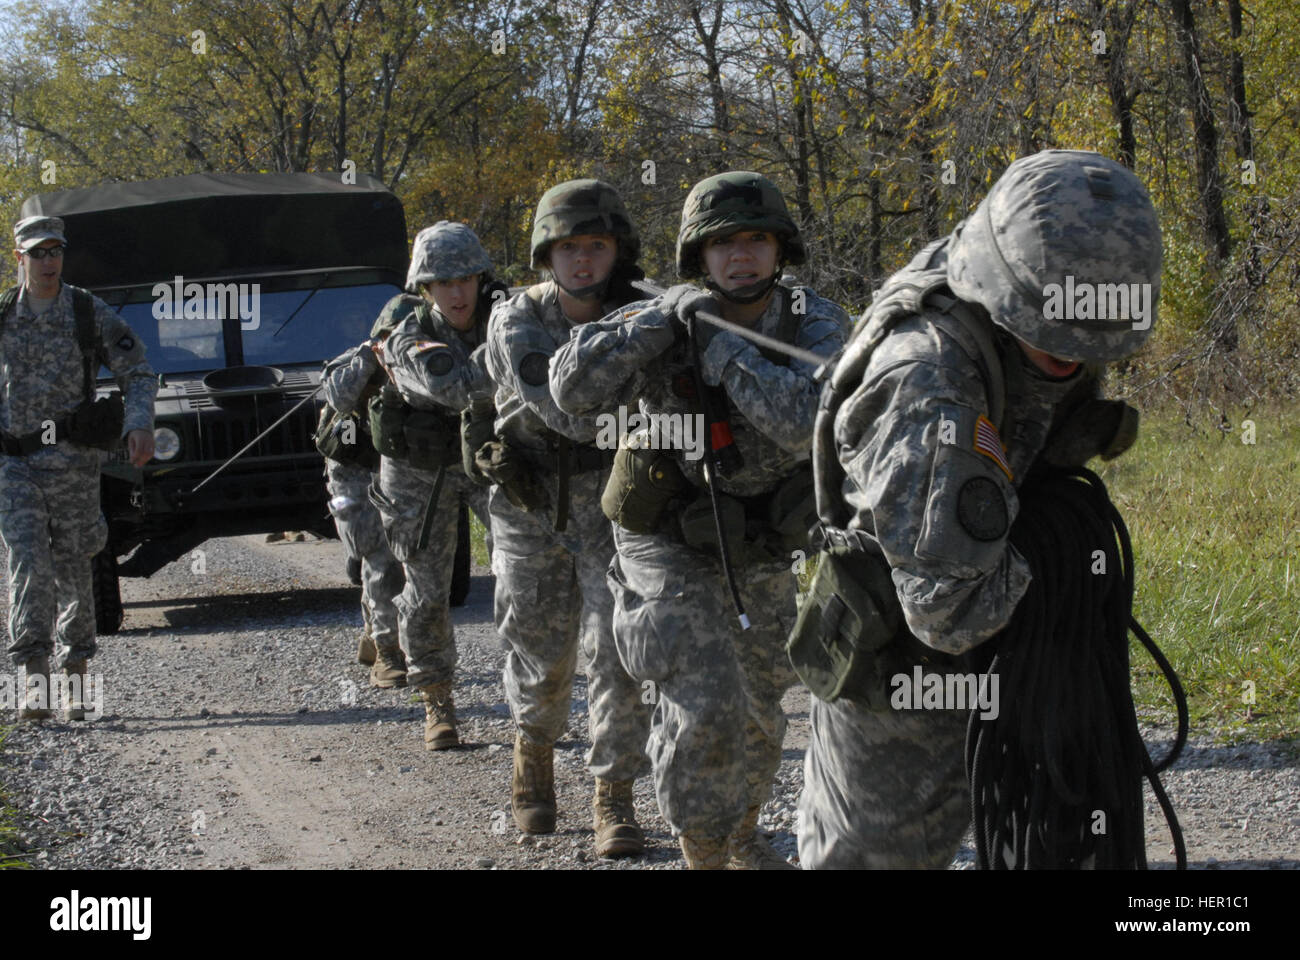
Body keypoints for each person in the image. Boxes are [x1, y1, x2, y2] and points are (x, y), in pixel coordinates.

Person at [793, 149, 1162, 868]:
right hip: (900, 675)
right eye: (1057, 336)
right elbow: (946, 610)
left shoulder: (1038, 277)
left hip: (1011, 651)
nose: (1075, 357)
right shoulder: (925, 384)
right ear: (1003, 286)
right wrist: (1052, 554)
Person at [550, 171, 849, 868]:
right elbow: (568, 391)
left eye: (755, 241)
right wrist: (654, 323)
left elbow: (806, 424)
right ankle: (703, 850)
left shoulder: (815, 320)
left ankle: (743, 831)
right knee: (704, 701)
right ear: (698, 256)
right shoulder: (662, 314)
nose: (739, 256)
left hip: (765, 539)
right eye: (721, 245)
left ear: (780, 250)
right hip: (666, 535)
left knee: (762, 706)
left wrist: (725, 351)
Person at [483, 179, 651, 857]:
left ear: (617, 250)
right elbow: (561, 410)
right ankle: (534, 765)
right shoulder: (515, 320)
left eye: (597, 246)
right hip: (530, 506)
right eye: (568, 248)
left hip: (614, 506)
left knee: (617, 651)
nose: (583, 261)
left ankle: (615, 796)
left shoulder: (645, 309)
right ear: (545, 255)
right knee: (539, 649)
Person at [1, 215, 157, 720]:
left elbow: (137, 370)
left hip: (71, 461)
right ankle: (33, 680)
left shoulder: (87, 311)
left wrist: (139, 423)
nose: (48, 261)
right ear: (18, 258)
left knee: (73, 563)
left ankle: (76, 678)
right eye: (38, 252)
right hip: (14, 462)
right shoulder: (2, 315)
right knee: (28, 560)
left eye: (55, 251)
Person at [367, 221, 498, 749]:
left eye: (466, 279)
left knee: (524, 576)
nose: (457, 292)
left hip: (488, 458)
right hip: (419, 466)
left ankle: (534, 700)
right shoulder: (405, 333)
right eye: (443, 283)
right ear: (424, 288)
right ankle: (436, 700)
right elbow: (454, 387)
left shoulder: (505, 316)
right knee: (426, 589)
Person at [318, 342, 404, 685]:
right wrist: (369, 359)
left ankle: (382, 639)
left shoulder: (417, 352)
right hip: (350, 474)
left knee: (394, 558)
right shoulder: (350, 359)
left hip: (397, 468)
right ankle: (385, 645)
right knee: (373, 554)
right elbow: (339, 398)